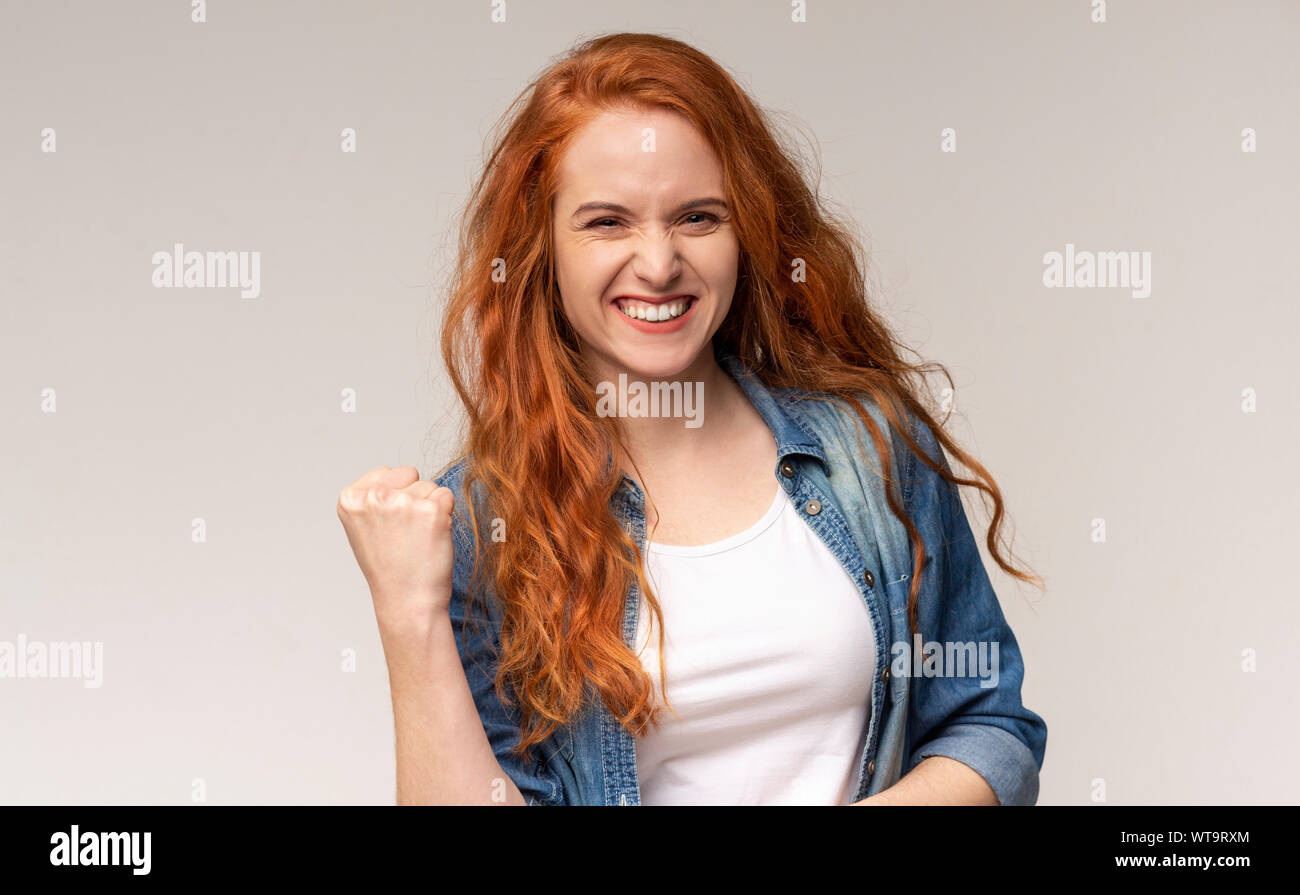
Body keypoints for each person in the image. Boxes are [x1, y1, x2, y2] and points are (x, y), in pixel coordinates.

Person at [337, 32, 1047, 806]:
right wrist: (408, 616)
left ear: (746, 230)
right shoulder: (483, 521)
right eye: (607, 222)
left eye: (698, 218)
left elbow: (989, 723)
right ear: (542, 249)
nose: (658, 262)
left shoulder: (869, 445)